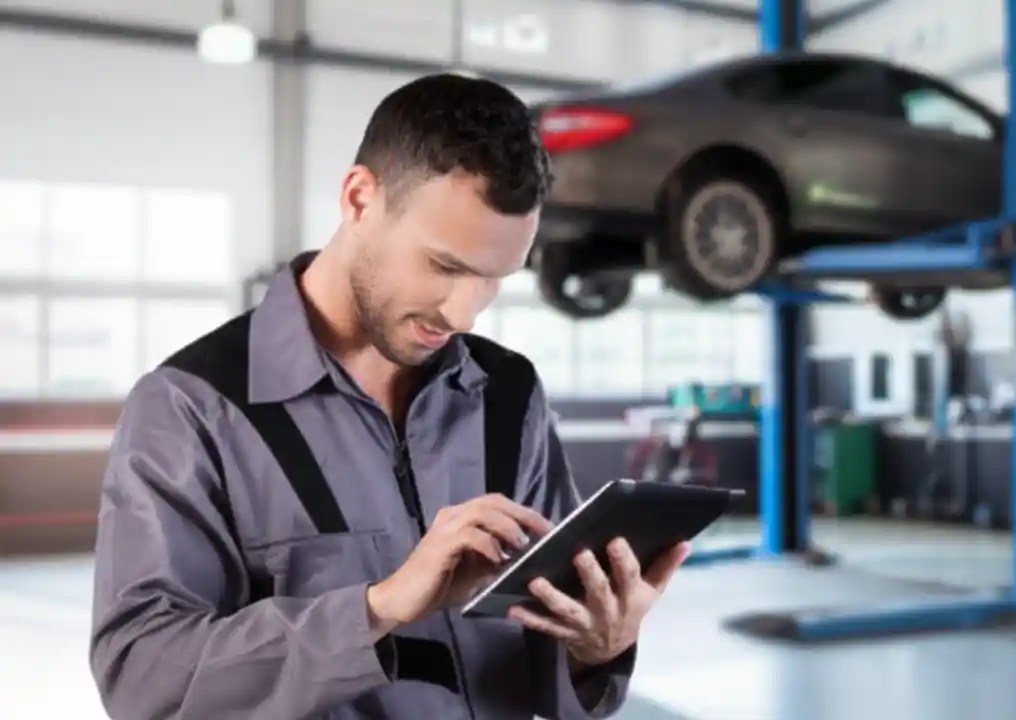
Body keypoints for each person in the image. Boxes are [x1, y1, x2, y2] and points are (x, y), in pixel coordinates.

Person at [89, 73, 690, 720]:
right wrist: (379, 607)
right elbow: (142, 679)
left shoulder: (509, 395)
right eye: (445, 266)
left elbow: (534, 655)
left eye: (493, 280)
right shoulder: (192, 409)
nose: (464, 314)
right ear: (358, 199)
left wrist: (595, 647)